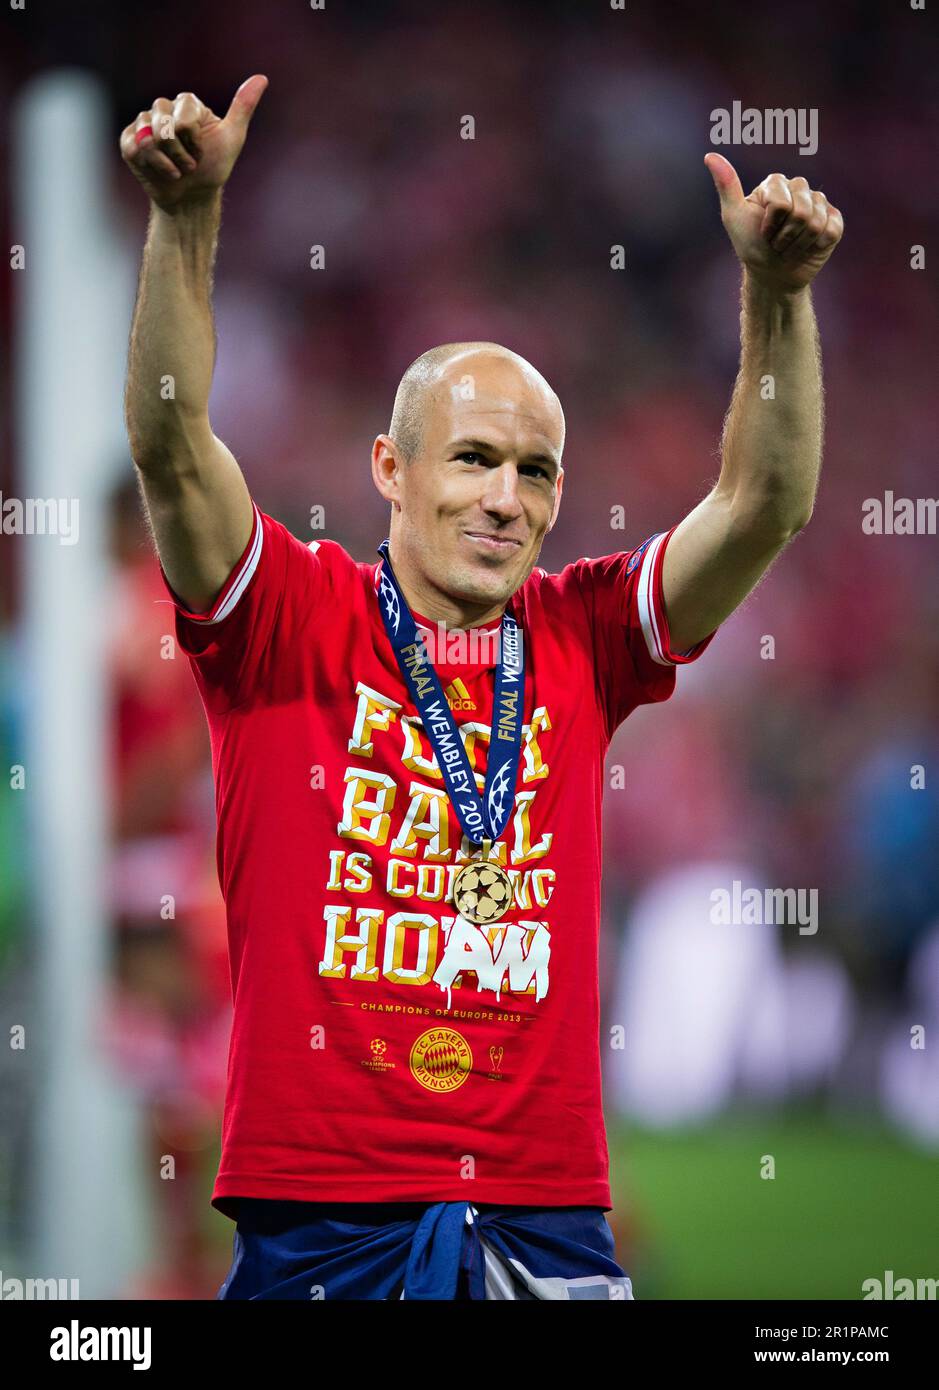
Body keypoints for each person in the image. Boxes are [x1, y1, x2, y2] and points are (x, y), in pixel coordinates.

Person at [120, 74, 843, 1300]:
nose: (508, 497)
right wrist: (187, 222)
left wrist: (776, 300)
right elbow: (175, 448)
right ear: (390, 469)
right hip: (326, 1218)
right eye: (472, 460)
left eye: (537, 470)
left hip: (544, 1218)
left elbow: (766, 503)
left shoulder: (588, 633)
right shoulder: (292, 615)